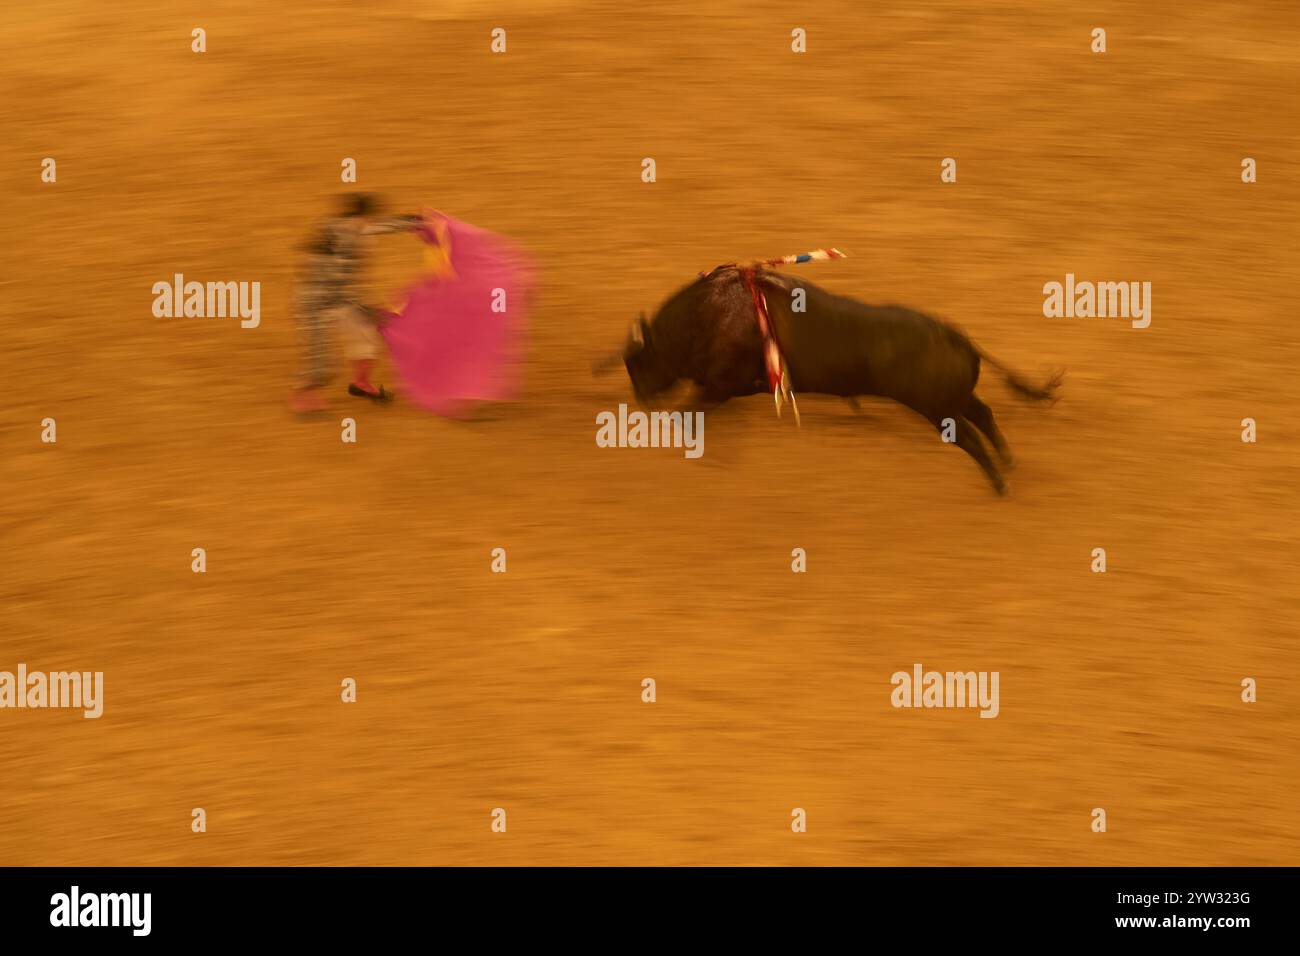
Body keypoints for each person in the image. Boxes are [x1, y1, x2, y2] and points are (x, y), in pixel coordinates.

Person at [288, 193, 423, 414]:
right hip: (315, 302)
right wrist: (368, 309)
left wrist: (415, 221)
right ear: (363, 217)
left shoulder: (349, 226)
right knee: (321, 357)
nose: (373, 223)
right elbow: (338, 282)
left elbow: (381, 226)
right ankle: (301, 396)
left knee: (365, 336)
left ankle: (361, 383)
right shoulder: (347, 237)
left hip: (340, 297)